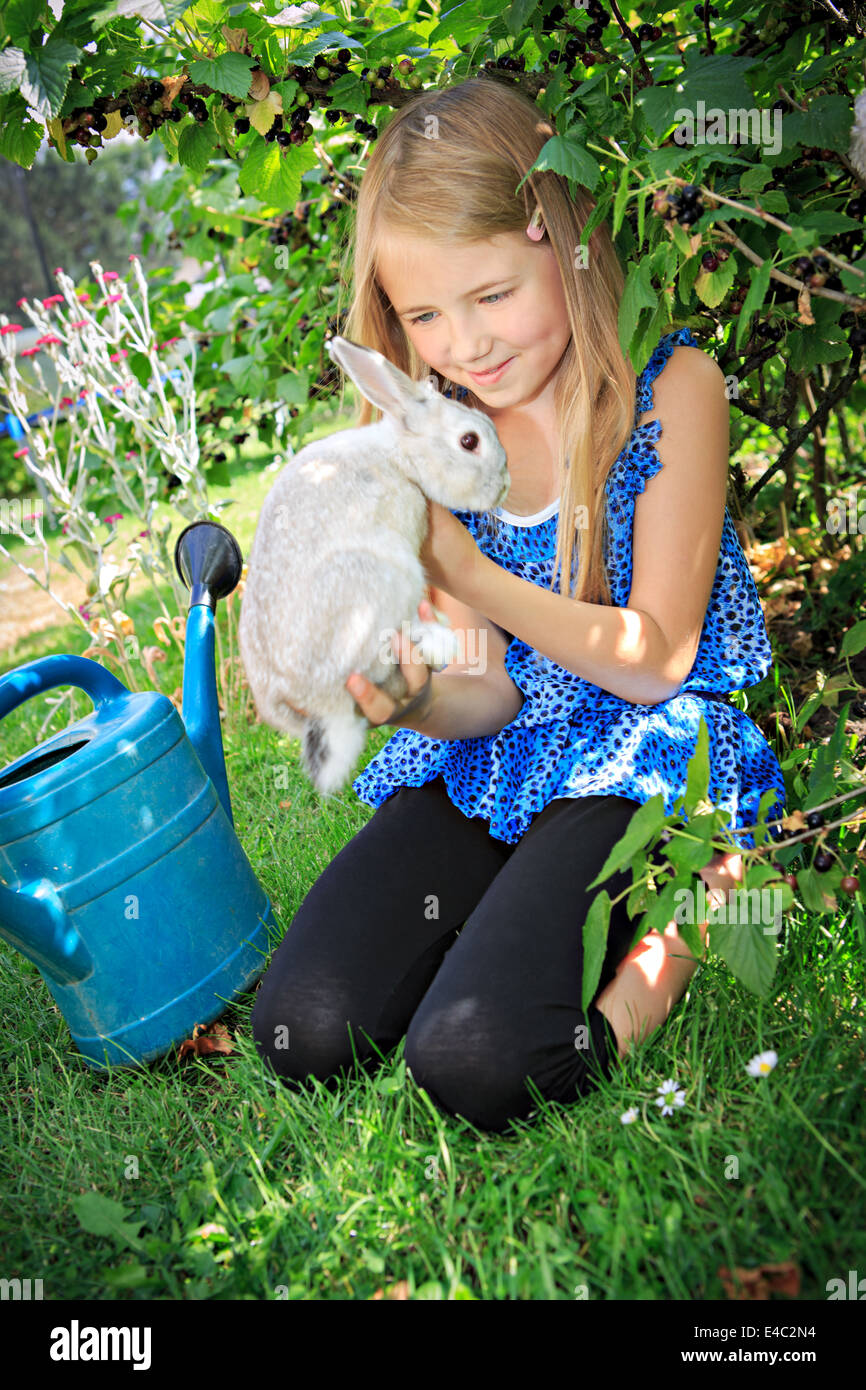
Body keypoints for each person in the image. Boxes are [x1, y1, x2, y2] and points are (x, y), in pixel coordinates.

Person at [251, 78, 786, 1133]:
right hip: (500, 758)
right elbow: (487, 695)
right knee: (303, 1028)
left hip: (643, 750)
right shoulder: (434, 426)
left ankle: (703, 892)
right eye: (423, 315)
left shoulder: (668, 388)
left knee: (481, 1057)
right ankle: (505, 916)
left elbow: (654, 658)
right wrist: (408, 700)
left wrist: (471, 566)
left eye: (490, 294)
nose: (464, 344)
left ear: (564, 240)